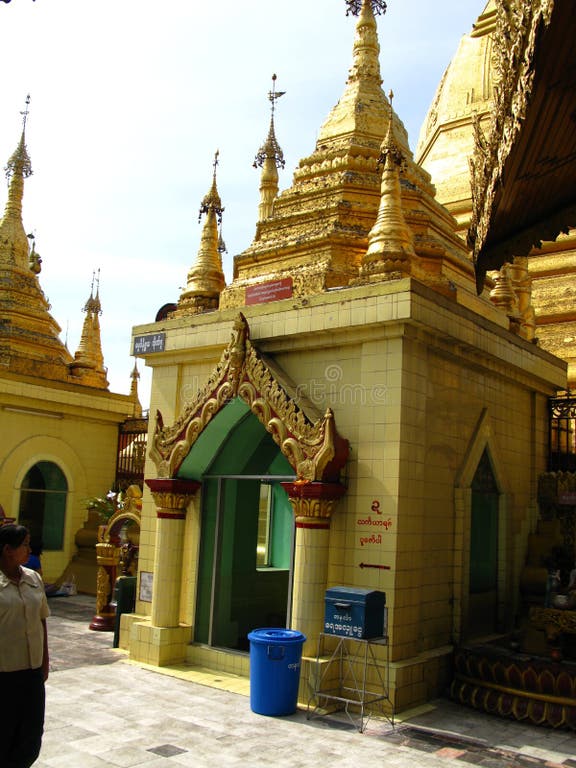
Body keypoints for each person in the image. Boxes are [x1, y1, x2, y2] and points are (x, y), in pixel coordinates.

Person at [0, 524, 50, 767]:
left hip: (32, 672)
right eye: (25, 545)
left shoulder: (33, 578)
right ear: (8, 550)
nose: (30, 550)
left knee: (30, 737)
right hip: (4, 674)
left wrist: (45, 661)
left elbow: (42, 620)